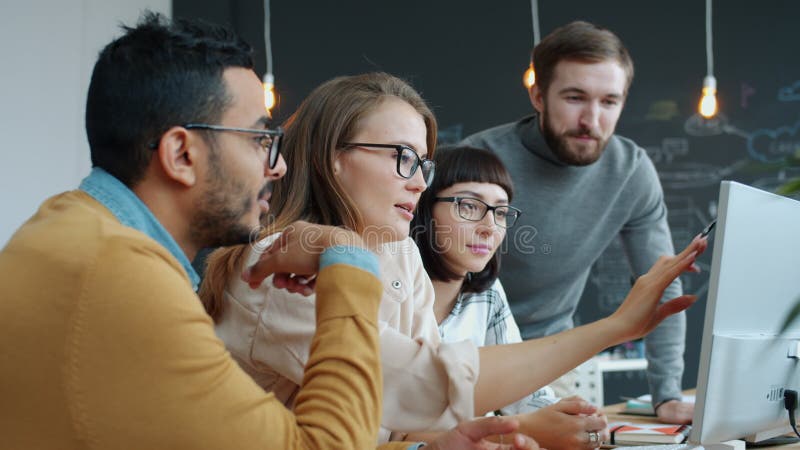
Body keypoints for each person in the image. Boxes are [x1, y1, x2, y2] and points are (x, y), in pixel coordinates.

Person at [0, 13, 540, 450]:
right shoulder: (122, 277)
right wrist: (347, 258)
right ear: (181, 154)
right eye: (258, 139)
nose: (277, 165)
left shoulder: (70, 234)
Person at [201, 71, 707, 445]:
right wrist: (615, 327)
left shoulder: (398, 256)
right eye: (401, 157)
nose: (419, 180)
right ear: (331, 156)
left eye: (422, 162)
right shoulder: (278, 269)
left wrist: (464, 437)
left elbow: (406, 424)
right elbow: (423, 383)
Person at [461, 20, 693, 424]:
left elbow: (663, 282)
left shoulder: (631, 171)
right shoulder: (474, 161)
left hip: (554, 361)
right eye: (575, 98)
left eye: (609, 102)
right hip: (464, 361)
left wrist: (667, 394)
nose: (592, 119)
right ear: (537, 95)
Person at [410, 145, 612, 449]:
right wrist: (523, 427)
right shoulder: (391, 288)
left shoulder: (487, 294)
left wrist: (571, 416)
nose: (489, 227)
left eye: (501, 212)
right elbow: (398, 427)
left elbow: (523, 392)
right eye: (469, 206)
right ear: (424, 207)